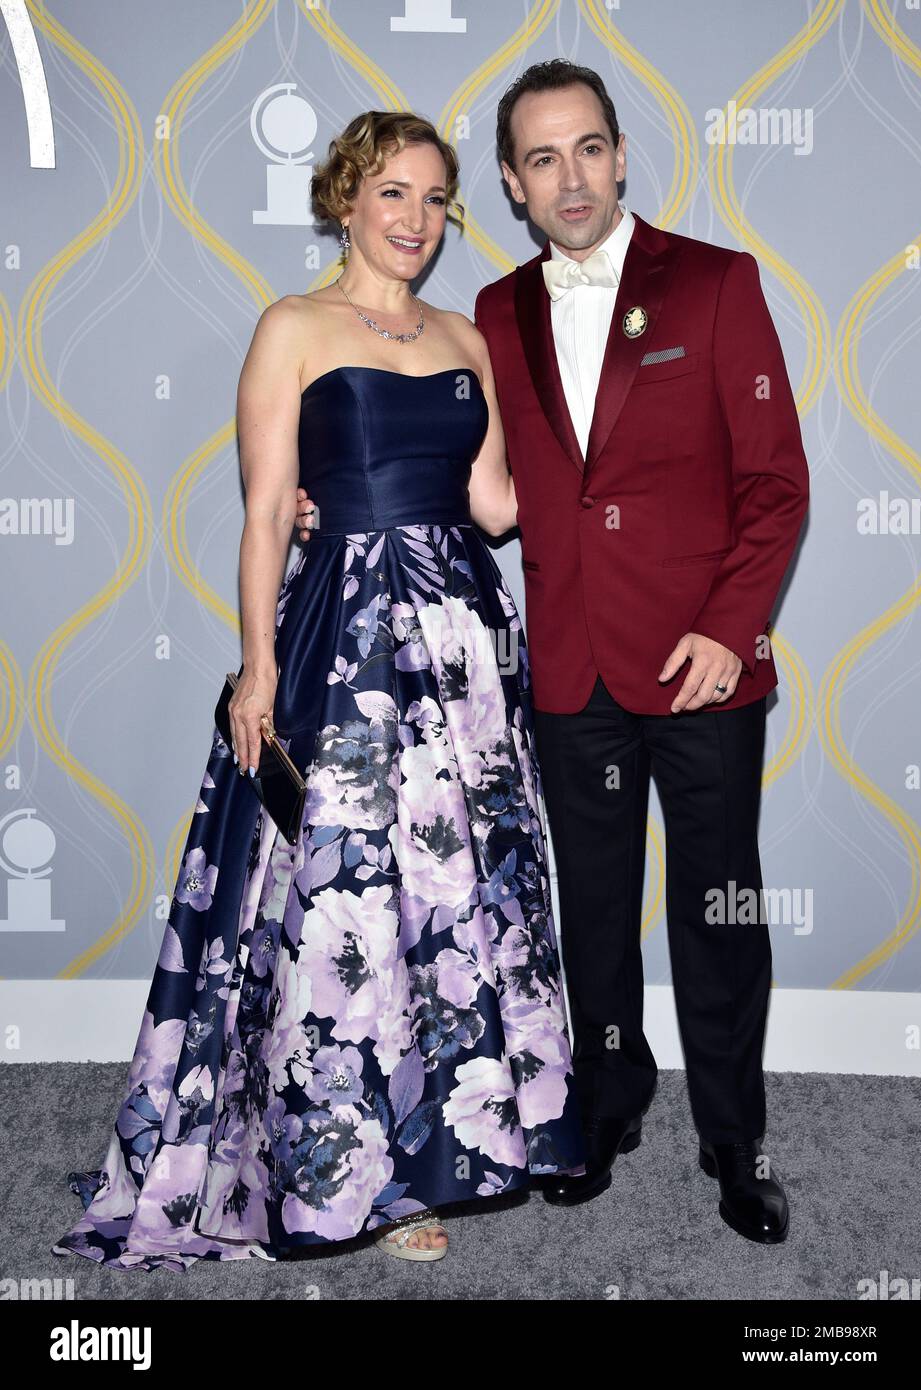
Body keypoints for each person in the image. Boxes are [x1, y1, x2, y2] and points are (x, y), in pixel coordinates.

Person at [51, 109, 586, 1274]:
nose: (415, 219)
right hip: (342, 640)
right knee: (346, 901)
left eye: (436, 199)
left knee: (461, 893)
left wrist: (622, 470)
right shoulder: (291, 326)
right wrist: (253, 662)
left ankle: (480, 1137)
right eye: (392, 193)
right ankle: (361, 1172)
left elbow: (498, 503)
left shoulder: (465, 335)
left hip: (459, 644)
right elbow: (263, 512)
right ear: (346, 200)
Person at [297, 62, 810, 1246]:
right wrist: (336, 495)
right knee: (591, 919)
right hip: (569, 670)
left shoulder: (718, 285)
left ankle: (738, 1141)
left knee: (719, 911)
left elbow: (777, 484)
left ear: (621, 156)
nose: (568, 177)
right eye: (540, 159)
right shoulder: (493, 315)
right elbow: (486, 489)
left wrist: (729, 631)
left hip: (704, 670)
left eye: (587, 149)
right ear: (518, 190)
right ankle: (609, 1108)